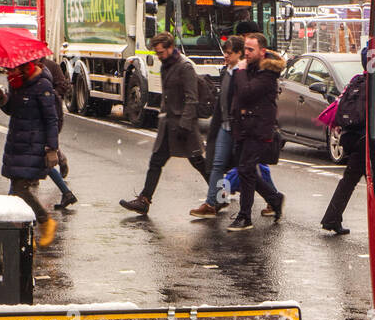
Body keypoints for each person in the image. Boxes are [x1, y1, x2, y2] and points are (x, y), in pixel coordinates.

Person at [120, 32, 208, 215]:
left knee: (199, 162)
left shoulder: (185, 67)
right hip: (168, 124)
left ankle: (221, 195)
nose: (158, 57)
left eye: (160, 52)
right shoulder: (166, 66)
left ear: (170, 48)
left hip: (185, 126)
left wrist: (185, 123)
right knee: (156, 161)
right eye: (157, 53)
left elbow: (192, 98)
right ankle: (144, 200)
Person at [0, 60, 59, 247]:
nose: (8, 73)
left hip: (33, 144)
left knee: (20, 189)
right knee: (16, 193)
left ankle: (45, 222)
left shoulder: (42, 84)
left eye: (11, 69)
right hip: (16, 143)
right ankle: (24, 237)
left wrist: (52, 148)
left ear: (24, 67)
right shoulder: (16, 84)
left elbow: (51, 119)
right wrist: (2, 101)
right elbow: (13, 111)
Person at [226, 32, 285, 231]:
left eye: (251, 49)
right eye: (245, 49)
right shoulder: (250, 69)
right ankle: (274, 198)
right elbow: (239, 96)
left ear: (262, 51)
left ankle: (245, 217)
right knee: (247, 171)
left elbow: (246, 93)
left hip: (258, 129)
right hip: (244, 127)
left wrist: (240, 72)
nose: (247, 53)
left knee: (245, 169)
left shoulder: (267, 73)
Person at [191, 35, 245, 218]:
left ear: (239, 53)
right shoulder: (228, 71)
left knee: (249, 170)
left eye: (230, 54)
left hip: (237, 129)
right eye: (225, 53)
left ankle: (273, 198)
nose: (226, 56)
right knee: (217, 165)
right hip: (224, 127)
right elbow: (222, 103)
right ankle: (213, 202)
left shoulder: (241, 73)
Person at [320, 48, 368, 235]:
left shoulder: (357, 80)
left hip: (352, 138)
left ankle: (332, 218)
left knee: (348, 181)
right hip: (367, 140)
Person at [38, 56, 78, 209]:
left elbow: (64, 85)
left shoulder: (50, 67)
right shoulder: (23, 71)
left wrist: (51, 93)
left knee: (37, 161)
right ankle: (67, 193)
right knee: (39, 161)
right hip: (34, 127)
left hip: (46, 122)